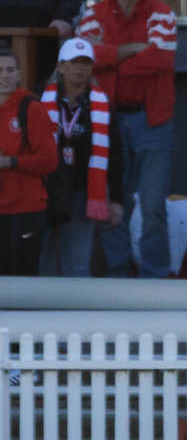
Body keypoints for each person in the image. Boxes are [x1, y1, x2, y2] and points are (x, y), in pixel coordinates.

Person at [76, 0, 176, 278]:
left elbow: (161, 58)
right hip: (109, 122)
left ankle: (155, 276)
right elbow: (84, 57)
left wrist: (111, 60)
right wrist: (131, 50)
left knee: (152, 207)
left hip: (152, 120)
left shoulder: (162, 13)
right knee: (111, 204)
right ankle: (118, 276)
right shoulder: (93, 15)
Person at [37, 37, 112, 277]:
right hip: (47, 188)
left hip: (83, 191)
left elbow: (116, 152)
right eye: (74, 62)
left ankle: (79, 315)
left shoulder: (100, 104)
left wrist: (116, 198)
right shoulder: (39, 101)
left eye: (85, 62)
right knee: (44, 262)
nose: (80, 68)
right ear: (60, 66)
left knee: (77, 264)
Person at [0, 45, 56, 273]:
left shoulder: (31, 108)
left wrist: (11, 162)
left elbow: (50, 160)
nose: (4, 75)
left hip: (25, 209)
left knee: (23, 277)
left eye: (10, 70)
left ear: (19, 75)